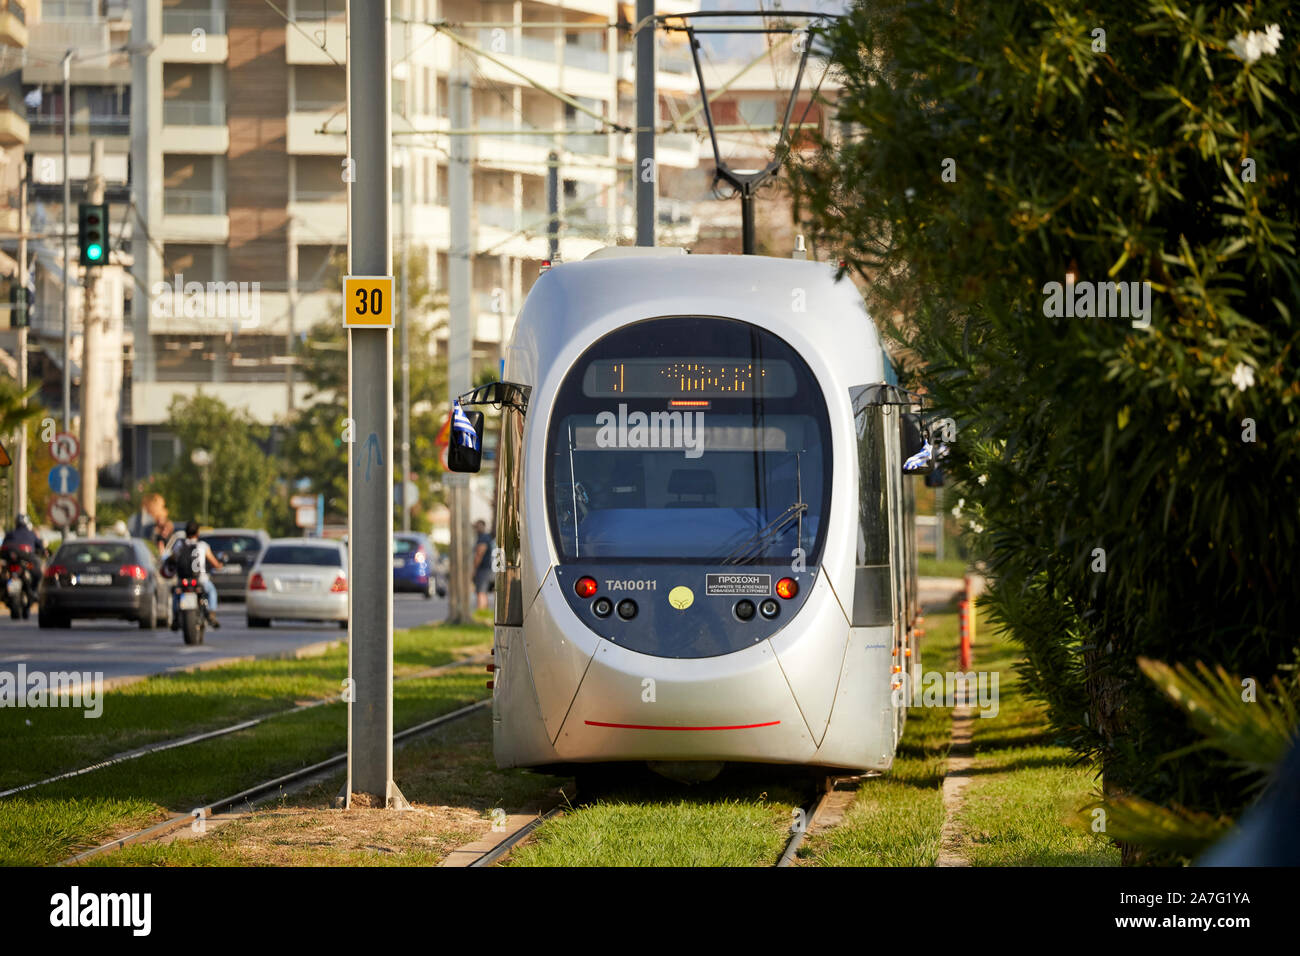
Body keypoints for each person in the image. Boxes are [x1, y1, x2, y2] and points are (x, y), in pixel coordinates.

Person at [166, 520, 223, 628]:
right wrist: (219, 566)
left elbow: (172, 558)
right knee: (212, 591)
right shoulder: (203, 546)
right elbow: (214, 563)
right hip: (200, 580)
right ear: (197, 533)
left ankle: (175, 618)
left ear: (186, 532)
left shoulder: (179, 544)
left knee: (175, 594)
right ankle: (211, 615)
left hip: (183, 579)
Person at [2, 515, 46, 603]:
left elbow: (3, 546)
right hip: (24, 559)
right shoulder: (31, 534)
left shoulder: (10, 533)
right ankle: (34, 591)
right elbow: (40, 547)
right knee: (38, 570)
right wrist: (44, 551)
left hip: (11, 558)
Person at [472, 519, 494, 611]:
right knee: (482, 591)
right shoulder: (486, 537)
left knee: (480, 591)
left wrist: (474, 568)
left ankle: (481, 610)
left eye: (478, 526)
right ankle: (483, 611)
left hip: (483, 568)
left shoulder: (483, 538)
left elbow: (479, 554)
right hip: (486, 568)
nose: (476, 529)